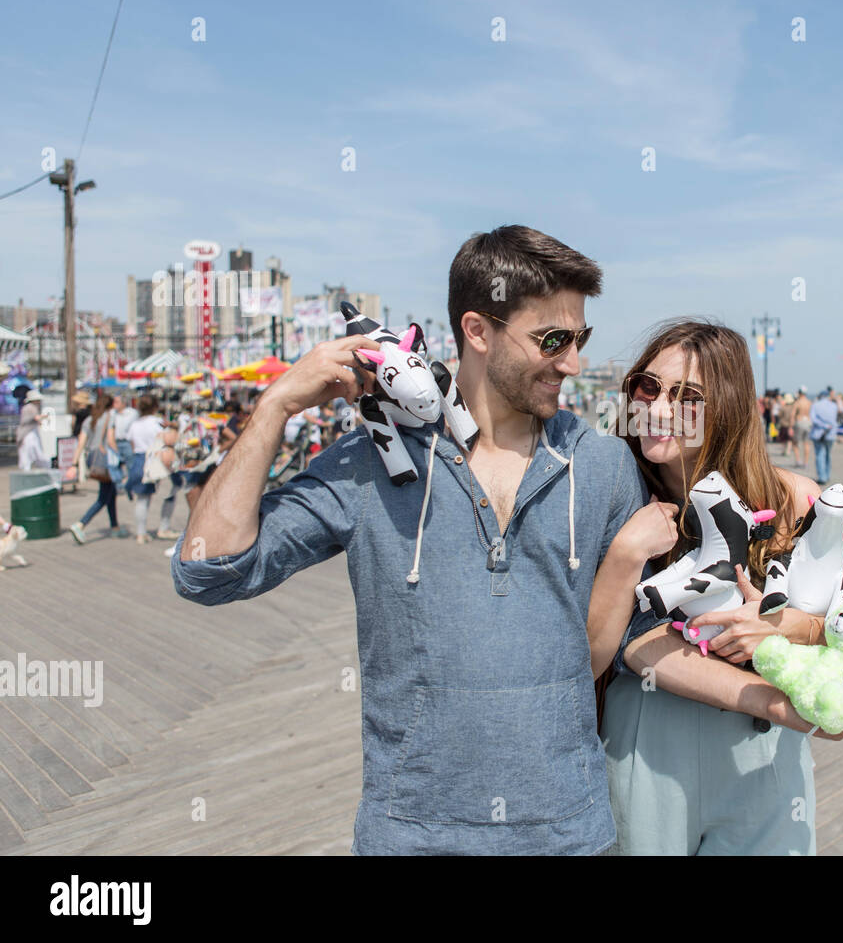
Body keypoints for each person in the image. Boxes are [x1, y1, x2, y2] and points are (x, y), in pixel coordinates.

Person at [173, 224, 643, 855]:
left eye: (580, 338)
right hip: (414, 837)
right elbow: (209, 571)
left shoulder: (605, 465)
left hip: (572, 835)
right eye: (552, 339)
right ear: (478, 330)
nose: (573, 362)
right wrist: (276, 406)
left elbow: (646, 637)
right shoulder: (371, 463)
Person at [588, 319, 843, 855]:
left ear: (726, 406)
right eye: (648, 387)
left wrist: (792, 626)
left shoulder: (794, 498)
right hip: (648, 741)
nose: (658, 409)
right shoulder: (618, 499)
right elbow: (619, 644)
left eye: (688, 397)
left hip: (765, 757)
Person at [68, 394, 129, 543]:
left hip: (92, 459)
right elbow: (110, 440)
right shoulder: (109, 417)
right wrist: (121, 459)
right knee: (104, 497)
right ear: (109, 406)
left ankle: (114, 527)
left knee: (110, 492)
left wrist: (74, 464)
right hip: (106, 460)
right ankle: (81, 523)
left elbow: (81, 443)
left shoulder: (89, 420)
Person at [125, 395, 165, 543]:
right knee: (145, 499)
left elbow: (131, 443)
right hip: (152, 459)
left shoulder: (135, 424)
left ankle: (141, 532)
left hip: (138, 459)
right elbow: (163, 441)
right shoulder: (157, 423)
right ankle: (142, 533)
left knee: (141, 498)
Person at [809, 388, 839, 484]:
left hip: (818, 433)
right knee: (827, 454)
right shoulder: (834, 406)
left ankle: (822, 477)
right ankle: (827, 474)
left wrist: (823, 426)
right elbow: (834, 419)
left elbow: (813, 419)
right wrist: (828, 426)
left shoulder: (815, 405)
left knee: (819, 454)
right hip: (830, 434)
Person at [16, 390, 48, 470]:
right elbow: (37, 418)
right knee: (32, 452)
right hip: (28, 433)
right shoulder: (31, 407)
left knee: (27, 453)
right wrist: (45, 416)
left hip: (28, 433)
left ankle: (27, 469)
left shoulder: (28, 407)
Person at [790, 386, 812, 468]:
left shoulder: (797, 402)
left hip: (799, 422)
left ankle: (798, 461)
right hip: (808, 423)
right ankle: (805, 462)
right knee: (806, 443)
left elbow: (792, 415)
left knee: (795, 443)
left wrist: (791, 427)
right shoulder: (809, 402)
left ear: (799, 393)